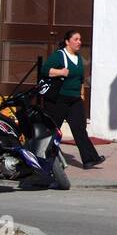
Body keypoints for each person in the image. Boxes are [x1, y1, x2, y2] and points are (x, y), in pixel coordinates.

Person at [42, 30, 104, 169]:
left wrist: (82, 96)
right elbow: (44, 70)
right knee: (53, 130)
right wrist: (60, 72)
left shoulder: (78, 58)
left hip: (74, 100)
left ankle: (89, 159)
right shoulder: (60, 55)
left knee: (79, 129)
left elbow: (80, 79)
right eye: (76, 39)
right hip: (59, 99)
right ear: (67, 41)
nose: (79, 42)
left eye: (80, 39)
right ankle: (43, 156)